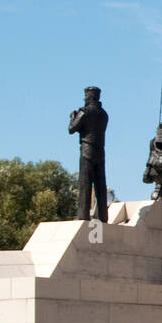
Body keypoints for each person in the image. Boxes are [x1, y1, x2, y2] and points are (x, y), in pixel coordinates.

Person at [68, 85, 109, 223]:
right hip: (100, 151)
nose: (84, 98)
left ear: (90, 96)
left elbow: (72, 128)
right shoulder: (104, 114)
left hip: (87, 149)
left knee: (85, 183)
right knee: (100, 184)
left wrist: (72, 117)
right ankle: (103, 216)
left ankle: (83, 215)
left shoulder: (84, 111)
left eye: (86, 95)